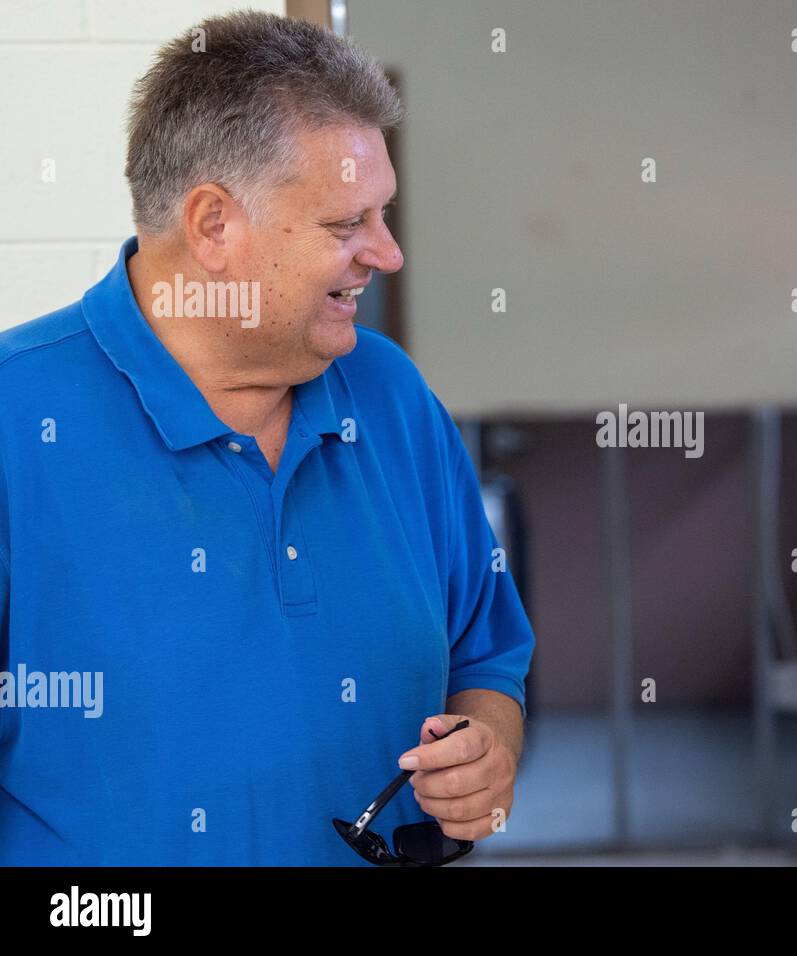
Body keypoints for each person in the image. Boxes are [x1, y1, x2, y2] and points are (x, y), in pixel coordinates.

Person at [0, 11, 533, 865]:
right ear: (214, 226)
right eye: (343, 225)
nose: (387, 253)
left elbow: (488, 653)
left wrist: (488, 752)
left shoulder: (391, 394)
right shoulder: (16, 420)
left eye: (383, 215)